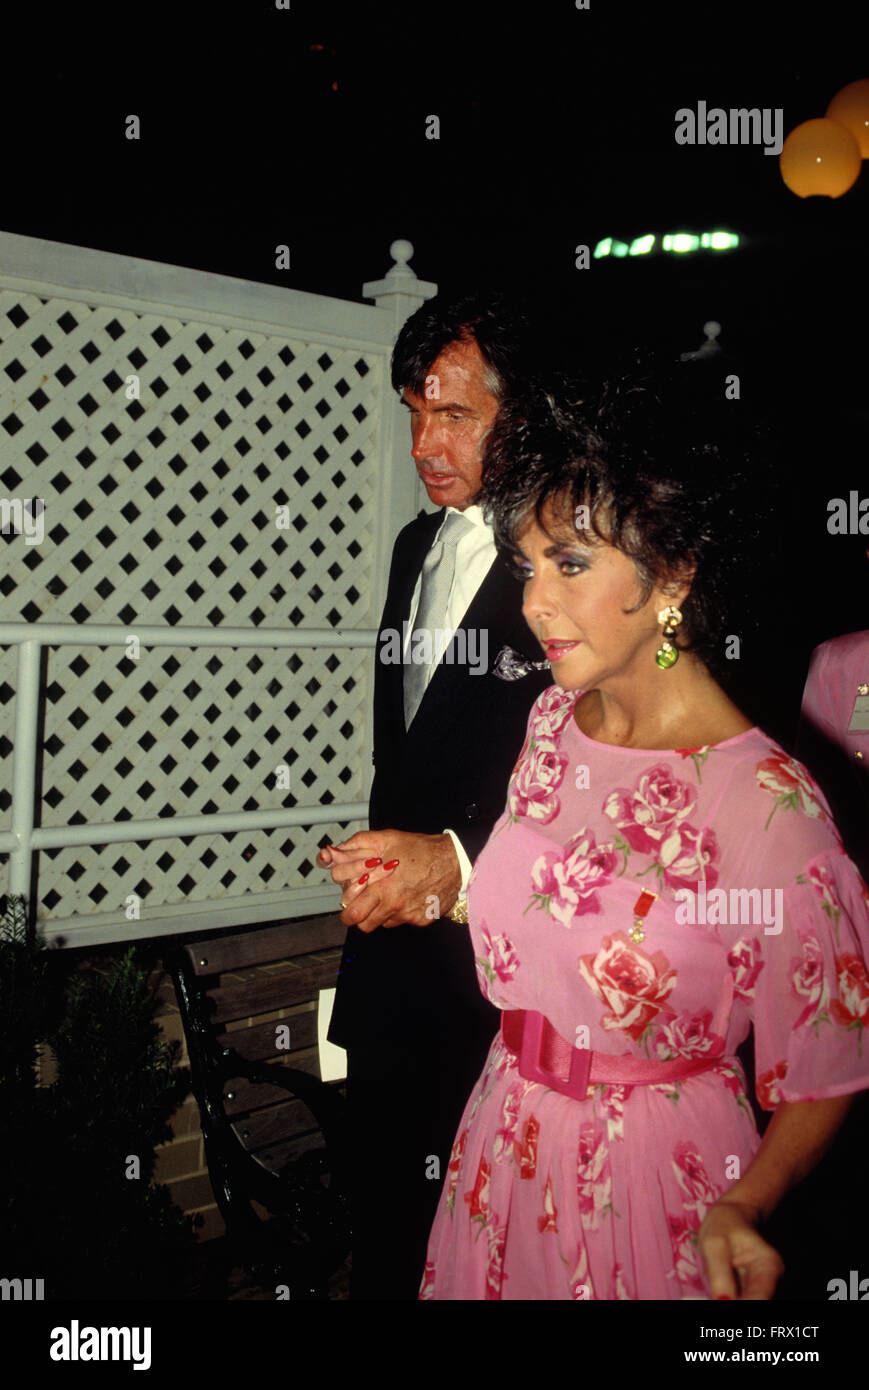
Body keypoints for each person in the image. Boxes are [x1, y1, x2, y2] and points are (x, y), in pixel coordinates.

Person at [420, 365, 869, 1300]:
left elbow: (828, 1061)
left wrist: (750, 1203)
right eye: (526, 566)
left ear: (671, 573)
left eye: (570, 564)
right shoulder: (549, 725)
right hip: (502, 1144)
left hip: (650, 1181)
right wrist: (437, 874)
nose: (534, 601)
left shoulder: (768, 807)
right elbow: (554, 916)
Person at [320, 291, 552, 1299]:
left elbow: (575, 779)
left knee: (475, 1246)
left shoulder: (565, 560)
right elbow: (409, 751)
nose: (425, 439)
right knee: (378, 1224)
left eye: (453, 413)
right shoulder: (416, 548)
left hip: (499, 982)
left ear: (519, 413)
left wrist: (450, 861)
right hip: (385, 970)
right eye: (415, 411)